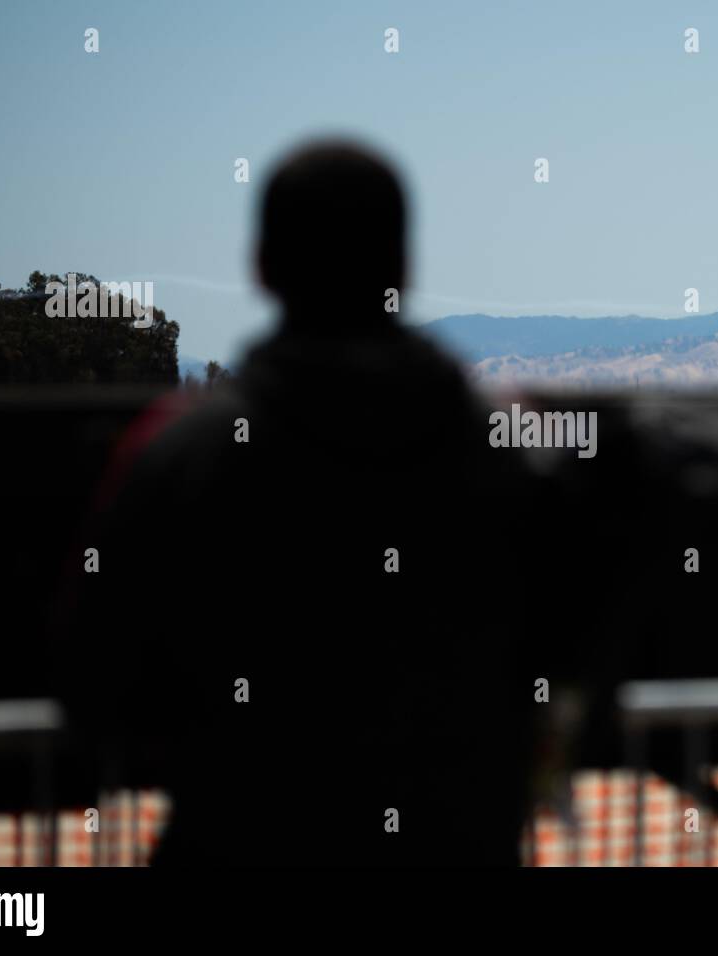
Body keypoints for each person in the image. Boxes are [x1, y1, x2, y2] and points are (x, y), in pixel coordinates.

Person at [60, 141, 545, 866]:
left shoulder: (180, 452)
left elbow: (92, 675)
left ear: (260, 266)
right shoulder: (511, 453)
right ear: (404, 268)